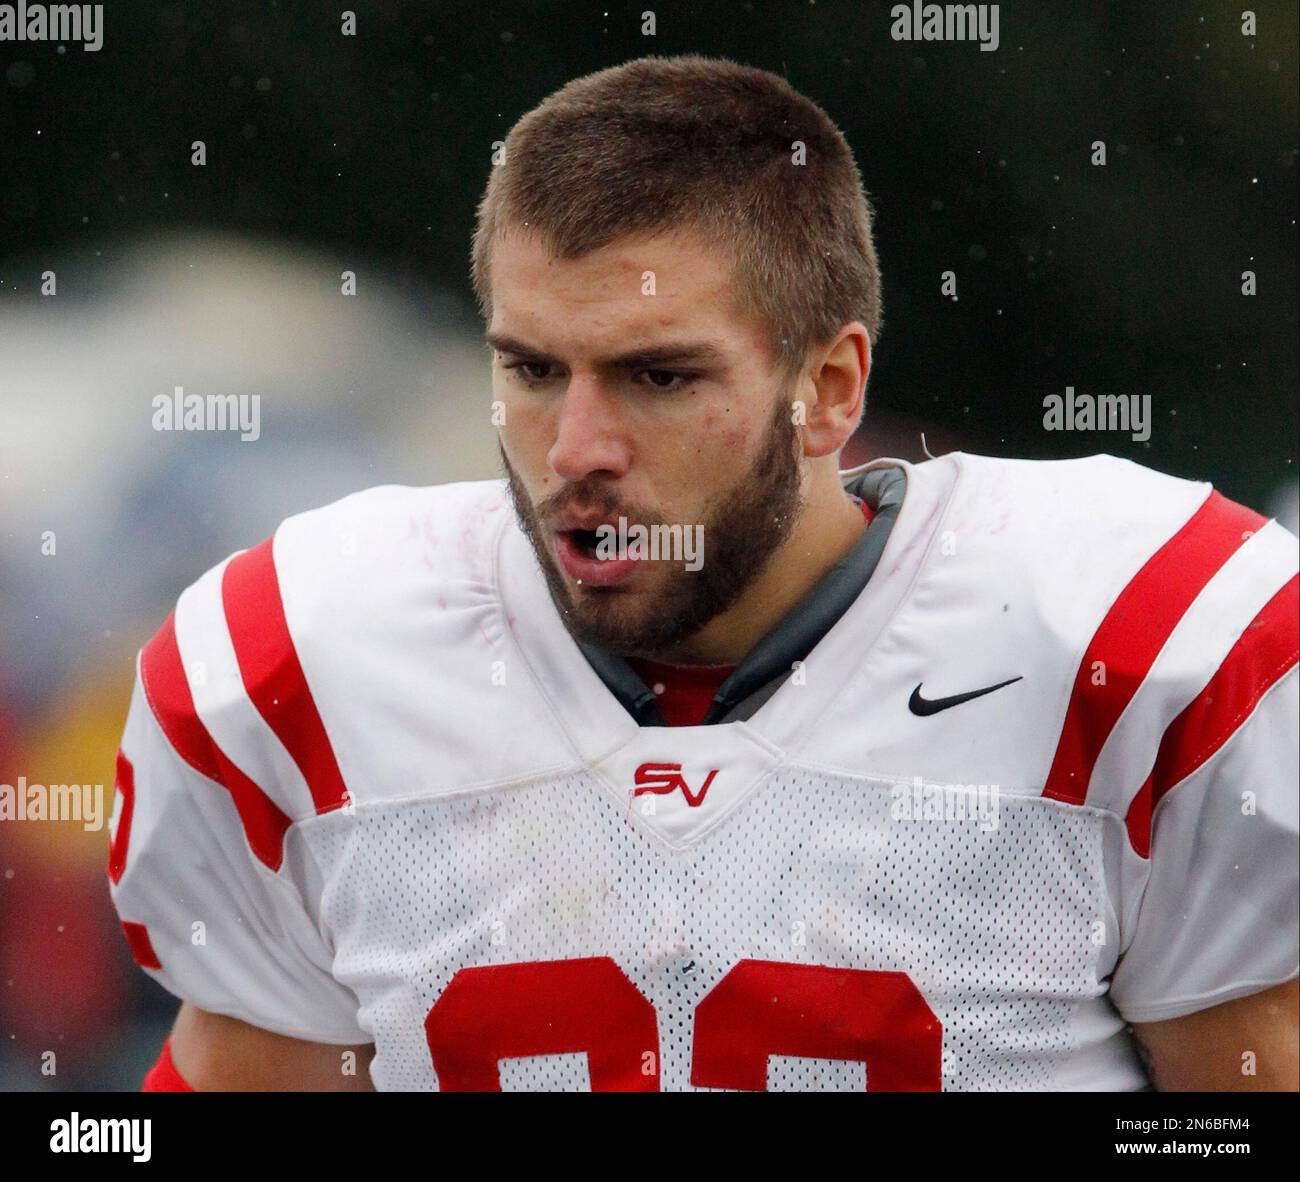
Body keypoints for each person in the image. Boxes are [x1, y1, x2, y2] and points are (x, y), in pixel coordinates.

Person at [109, 54, 1298, 1092]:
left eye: (658, 377)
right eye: (531, 370)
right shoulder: (308, 656)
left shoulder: (1122, 637)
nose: (576, 451)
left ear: (828, 390)